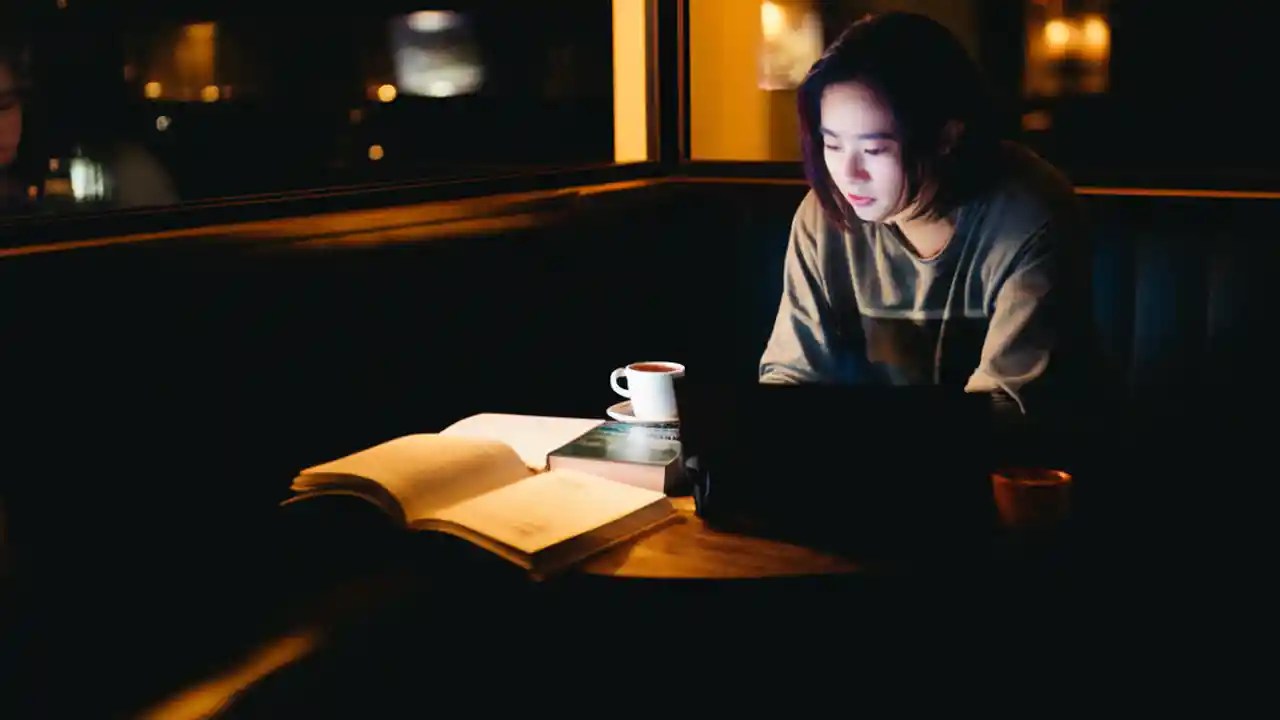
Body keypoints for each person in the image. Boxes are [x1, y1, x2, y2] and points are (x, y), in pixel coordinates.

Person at [759, 12, 1095, 419]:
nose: (848, 174)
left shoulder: (1026, 215)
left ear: (946, 137)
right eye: (832, 145)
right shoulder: (824, 216)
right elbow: (791, 377)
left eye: (874, 150)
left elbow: (1007, 409)